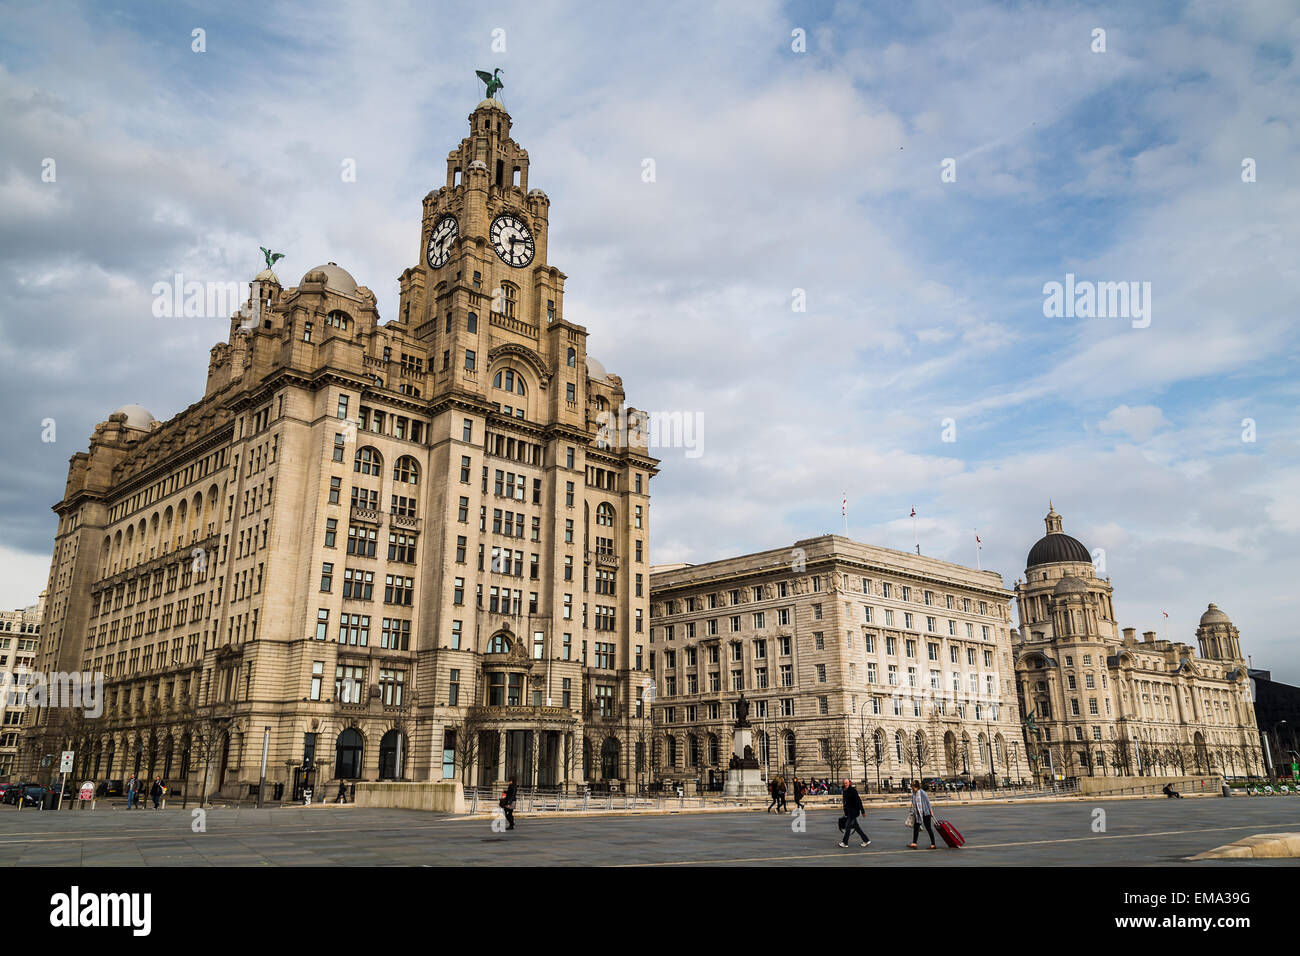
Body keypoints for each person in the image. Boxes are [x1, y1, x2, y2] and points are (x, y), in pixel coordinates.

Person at [838, 779, 870, 848]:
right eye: (844, 783)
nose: (845, 784)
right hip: (849, 812)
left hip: (853, 812)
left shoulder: (853, 791)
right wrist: (845, 812)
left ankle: (845, 842)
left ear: (849, 783)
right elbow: (845, 803)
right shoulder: (844, 791)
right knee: (857, 827)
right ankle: (866, 840)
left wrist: (863, 811)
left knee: (848, 827)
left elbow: (859, 801)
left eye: (846, 783)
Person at [909, 780, 937, 848]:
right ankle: (914, 843)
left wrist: (931, 811)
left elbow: (928, 802)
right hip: (918, 813)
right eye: (912, 788)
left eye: (913, 787)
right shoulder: (914, 793)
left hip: (925, 812)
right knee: (916, 827)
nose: (912, 789)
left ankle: (933, 844)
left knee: (928, 828)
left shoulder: (922, 793)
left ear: (917, 787)